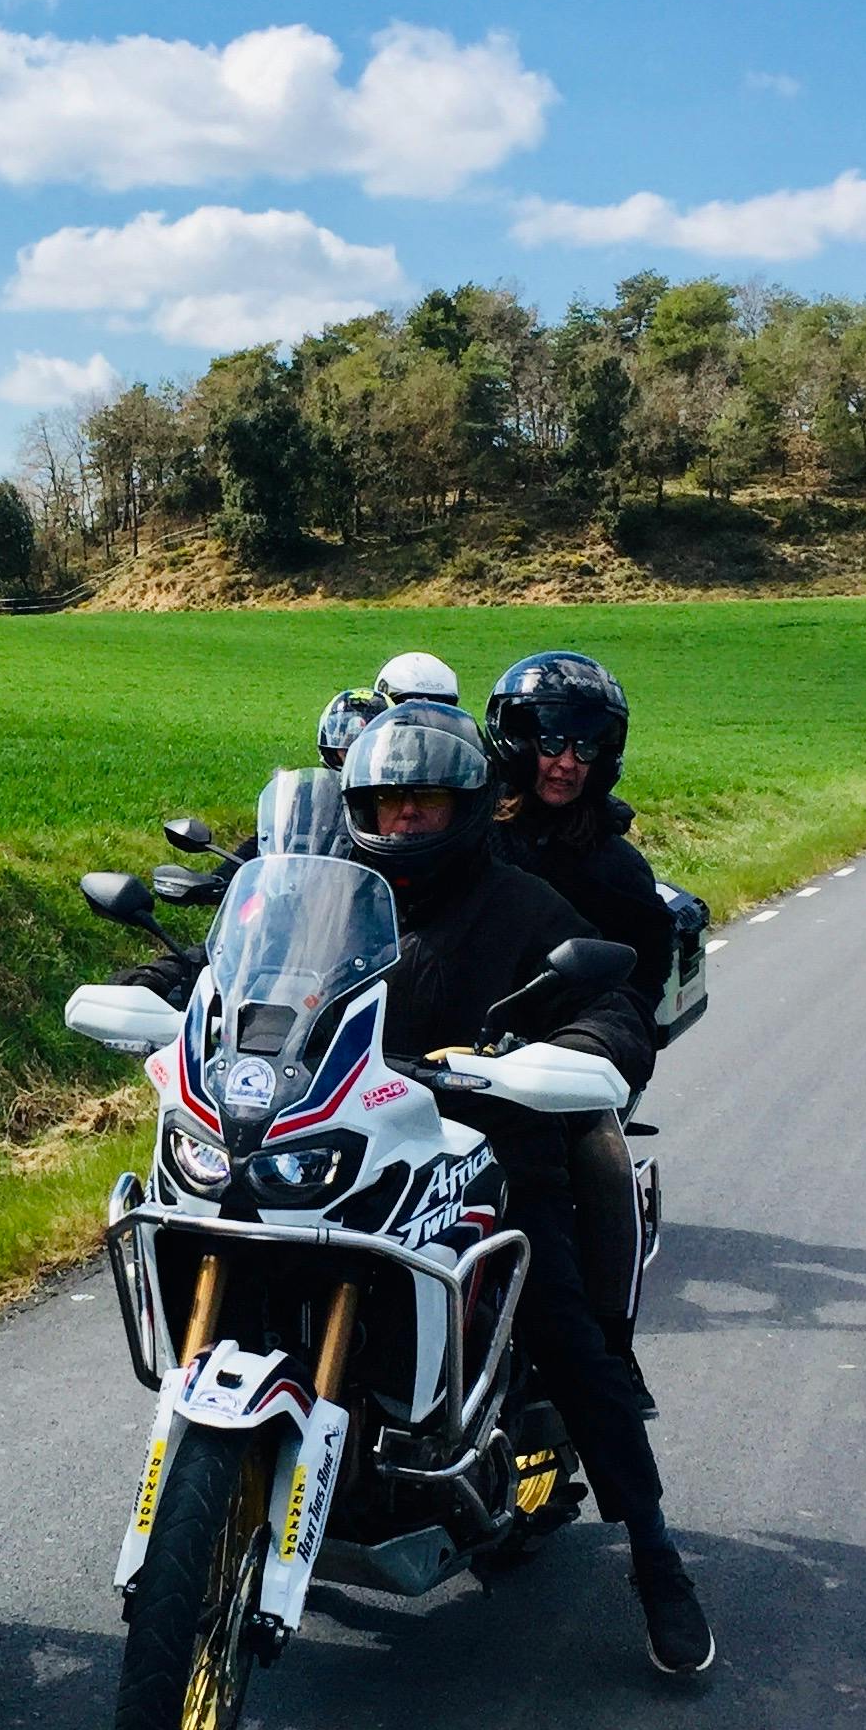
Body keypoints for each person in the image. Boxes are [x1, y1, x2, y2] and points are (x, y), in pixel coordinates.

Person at [338, 703, 714, 1677]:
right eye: (388, 804)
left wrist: (583, 1051)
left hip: (491, 1160)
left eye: (425, 806)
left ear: (465, 808)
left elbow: (616, 1000)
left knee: (562, 1329)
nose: (405, 823)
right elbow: (244, 967)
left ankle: (656, 1560)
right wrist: (179, 985)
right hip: (353, 1154)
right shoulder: (342, 902)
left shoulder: (522, 907)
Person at [484, 651, 676, 1410]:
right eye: (552, 741)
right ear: (513, 740)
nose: (566, 763)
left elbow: (641, 986)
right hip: (445, 1049)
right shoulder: (468, 830)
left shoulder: (614, 869)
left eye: (587, 747)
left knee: (600, 1157)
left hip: (555, 1070)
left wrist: (590, 1049)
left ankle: (609, 1355)